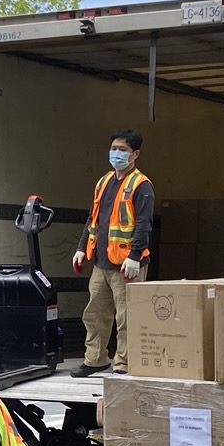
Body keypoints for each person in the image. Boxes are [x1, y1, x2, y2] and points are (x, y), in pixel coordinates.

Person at [70, 128, 154, 375]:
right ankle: (95, 359)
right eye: (114, 148)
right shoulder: (104, 182)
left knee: (127, 317)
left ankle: (124, 363)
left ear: (135, 154)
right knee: (95, 314)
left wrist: (135, 256)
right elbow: (93, 219)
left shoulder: (141, 185)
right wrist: (81, 248)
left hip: (126, 265)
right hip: (101, 263)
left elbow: (144, 224)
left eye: (123, 150)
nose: (117, 153)